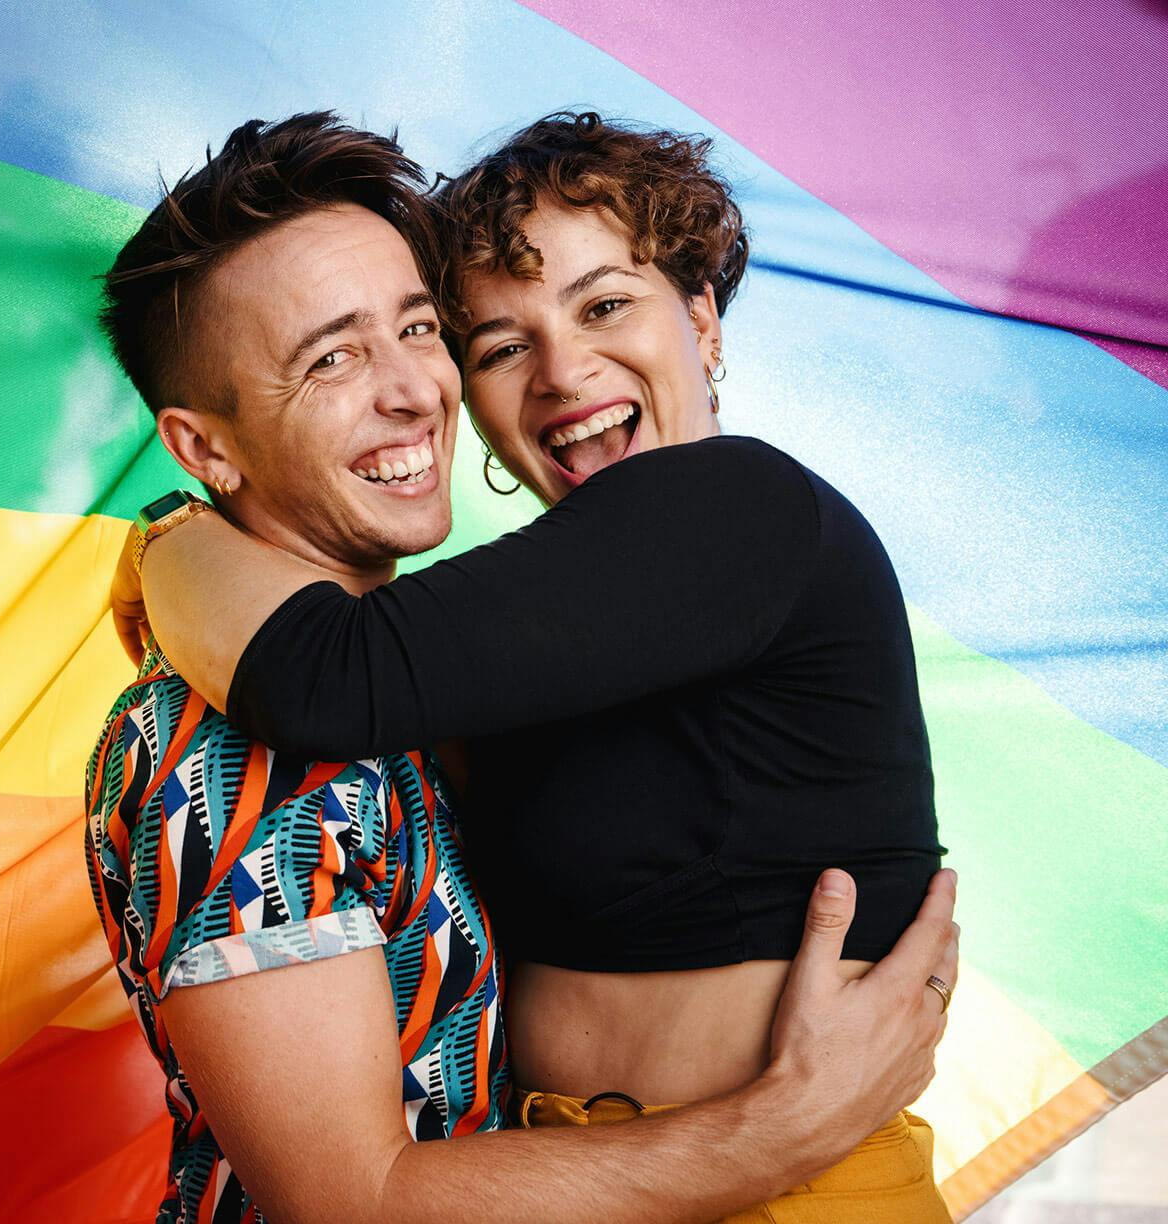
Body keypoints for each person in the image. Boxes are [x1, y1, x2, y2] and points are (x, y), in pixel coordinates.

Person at [89, 111, 957, 1224]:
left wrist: (169, 540)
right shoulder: (479, 666)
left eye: (603, 305)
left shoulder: (736, 503)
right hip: (639, 1168)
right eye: (497, 346)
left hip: (774, 1188)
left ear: (700, 317)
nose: (561, 371)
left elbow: (318, 672)